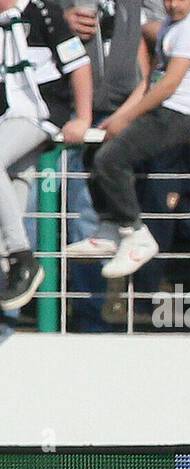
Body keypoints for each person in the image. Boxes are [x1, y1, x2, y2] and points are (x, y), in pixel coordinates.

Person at [66, 0, 190, 280]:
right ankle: (110, 226)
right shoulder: (171, 27)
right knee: (95, 149)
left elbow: (170, 84)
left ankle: (136, 233)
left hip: (182, 114)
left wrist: (128, 117)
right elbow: (150, 79)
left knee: (112, 159)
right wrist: (118, 118)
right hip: (162, 108)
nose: (172, 5)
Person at [62, 0, 164, 332]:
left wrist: (125, 115)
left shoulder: (133, 5)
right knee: (54, 217)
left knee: (95, 217)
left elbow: (143, 62)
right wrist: (62, 23)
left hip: (115, 115)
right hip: (62, 112)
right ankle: (72, 314)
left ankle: (98, 315)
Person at [0, 0, 91, 311]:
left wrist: (83, 117)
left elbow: (78, 64)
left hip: (40, 113)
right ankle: (11, 280)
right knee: (13, 190)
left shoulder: (42, 12)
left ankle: (22, 255)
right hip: (7, 117)